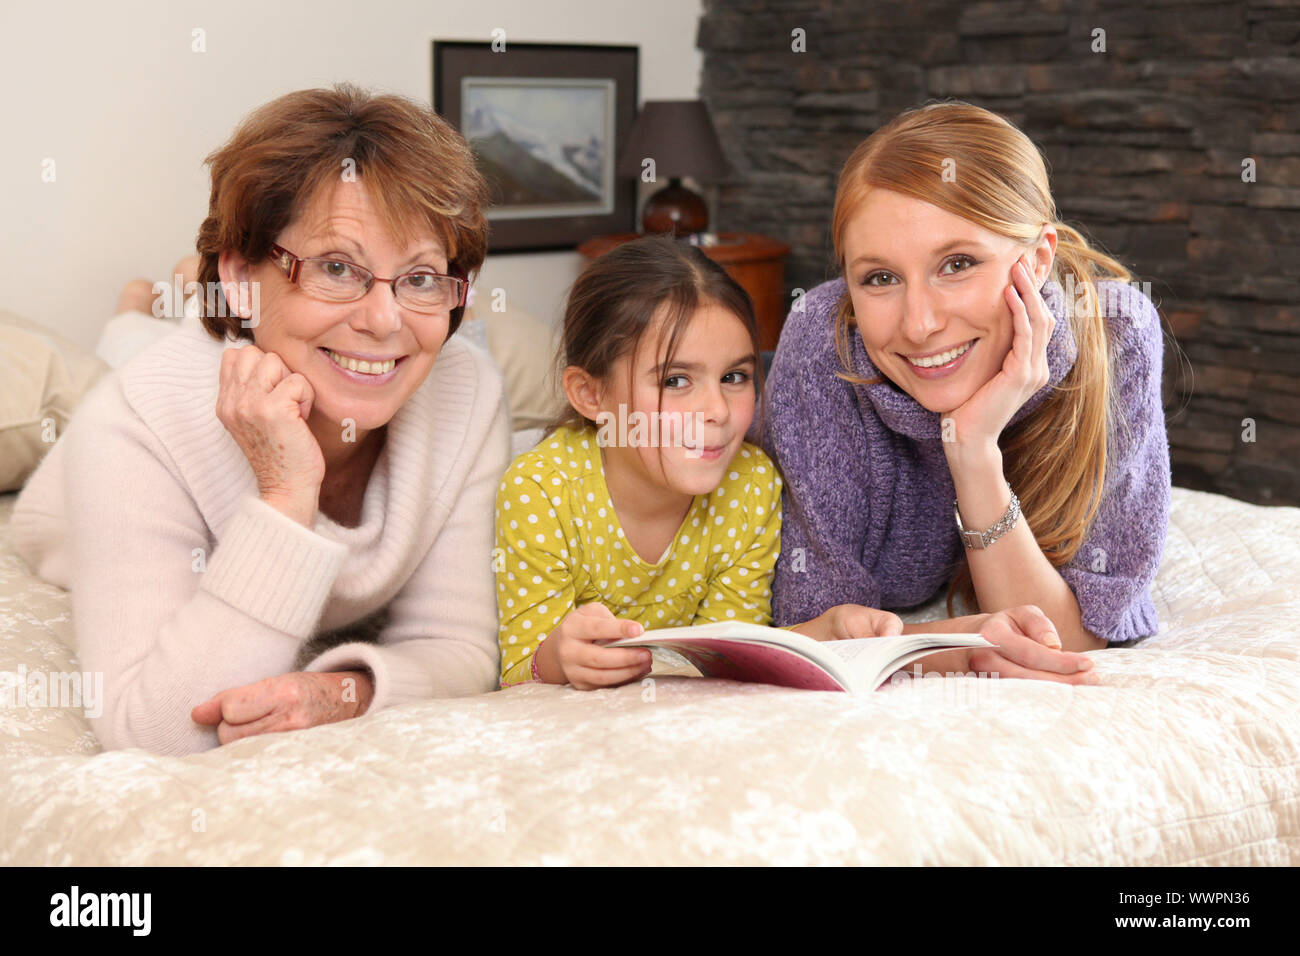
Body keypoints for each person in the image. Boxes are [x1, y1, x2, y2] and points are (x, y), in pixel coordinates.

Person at [12, 84, 511, 754]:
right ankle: (133, 312)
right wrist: (284, 497)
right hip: (97, 469)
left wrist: (350, 691)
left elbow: (457, 645)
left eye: (421, 278)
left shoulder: (466, 388)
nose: (385, 320)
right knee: (123, 353)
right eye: (338, 268)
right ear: (243, 273)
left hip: (246, 336)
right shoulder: (131, 425)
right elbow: (156, 733)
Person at [495, 236, 1078, 690]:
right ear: (591, 395)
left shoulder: (749, 484)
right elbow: (516, 672)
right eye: (676, 381)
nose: (717, 411)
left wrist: (832, 634)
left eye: (736, 377)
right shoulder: (539, 489)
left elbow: (720, 653)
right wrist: (558, 656)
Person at [765, 101, 1170, 682]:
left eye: (957, 264)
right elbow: (822, 624)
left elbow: (1073, 634)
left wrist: (973, 450)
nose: (919, 324)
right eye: (880, 279)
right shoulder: (821, 337)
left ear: (1035, 260)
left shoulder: (1115, 332)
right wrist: (957, 644)